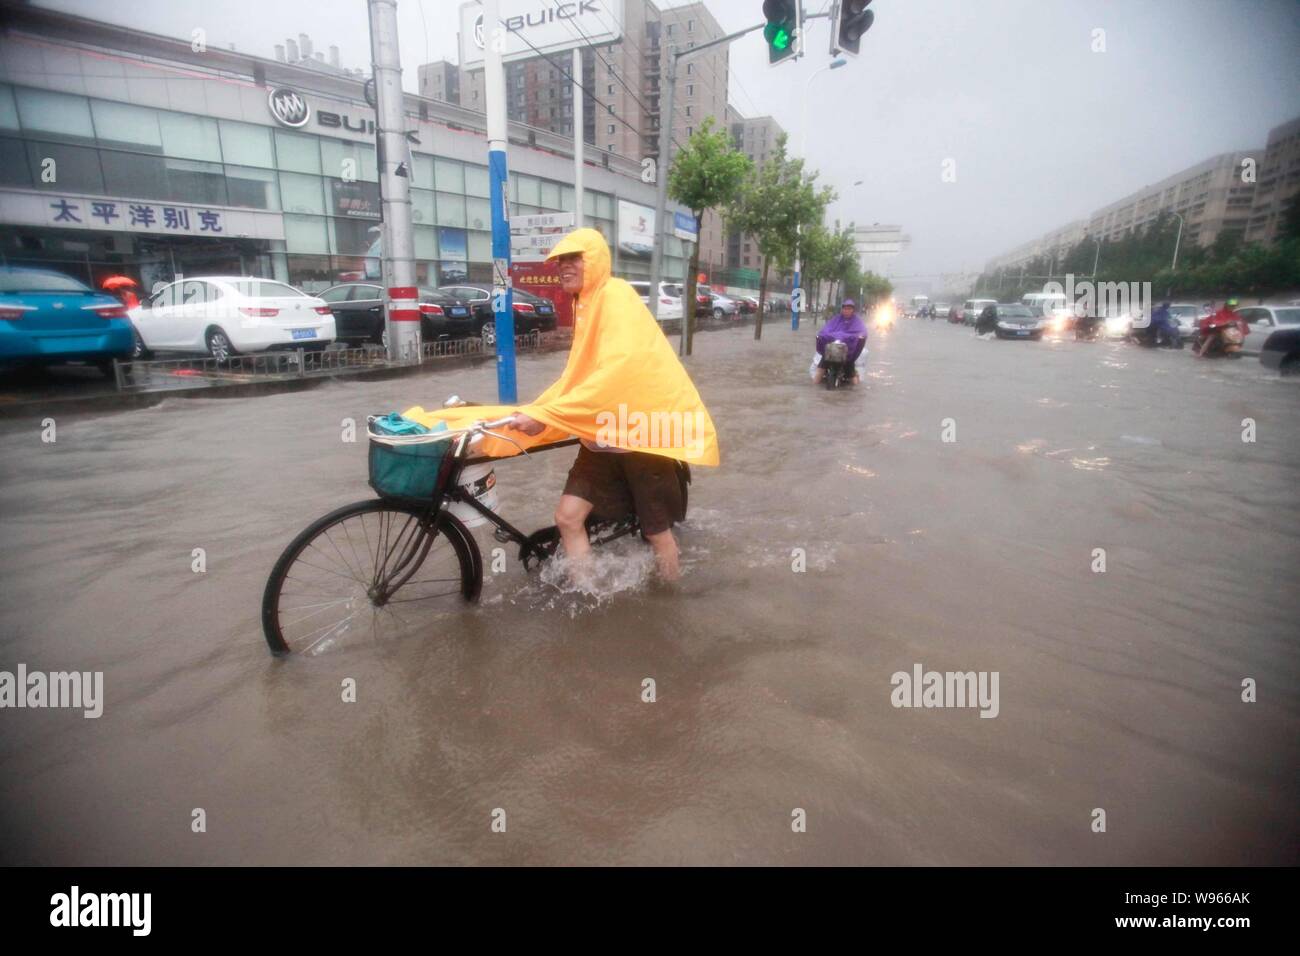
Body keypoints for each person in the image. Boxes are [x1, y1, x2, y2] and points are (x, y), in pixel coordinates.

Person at [432, 228, 720, 583]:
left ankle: (669, 601)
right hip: (600, 436)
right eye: (560, 261)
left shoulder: (615, 296)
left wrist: (549, 415)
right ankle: (587, 594)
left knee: (656, 531)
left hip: (643, 435)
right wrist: (536, 412)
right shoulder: (584, 304)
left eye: (574, 258)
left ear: (595, 260)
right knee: (568, 518)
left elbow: (619, 372)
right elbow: (578, 379)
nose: (563, 267)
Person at [813, 298, 867, 384]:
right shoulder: (836, 319)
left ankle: (857, 393)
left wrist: (857, 337)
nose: (846, 311)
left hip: (848, 354)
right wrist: (822, 335)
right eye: (845, 308)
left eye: (849, 309)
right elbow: (826, 329)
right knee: (820, 370)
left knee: (852, 377)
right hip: (831, 351)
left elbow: (862, 332)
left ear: (853, 310)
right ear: (842, 309)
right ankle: (814, 389)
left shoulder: (857, 321)